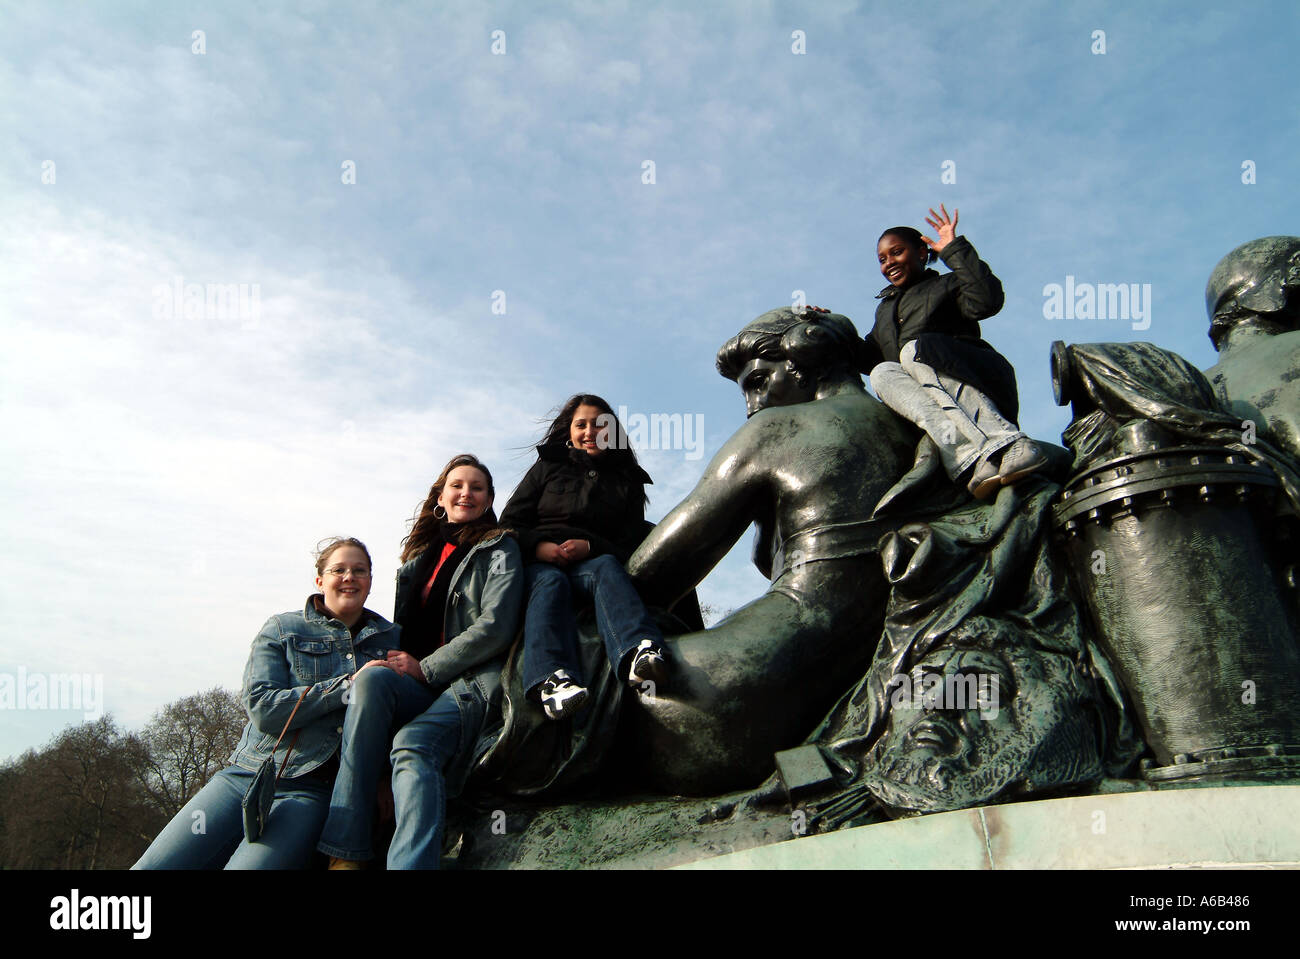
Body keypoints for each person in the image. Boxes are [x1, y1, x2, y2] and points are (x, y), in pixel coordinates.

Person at [619, 308, 916, 794]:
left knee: (597, 665)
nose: (753, 405)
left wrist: (591, 591)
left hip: (729, 697)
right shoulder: (910, 425)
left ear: (807, 352)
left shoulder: (777, 430)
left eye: (760, 381)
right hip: (864, 665)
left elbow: (657, 571)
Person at [133, 537, 399, 869]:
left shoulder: (392, 639)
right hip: (245, 775)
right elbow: (263, 707)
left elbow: (396, 716)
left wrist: (385, 776)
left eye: (359, 570)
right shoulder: (283, 629)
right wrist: (347, 685)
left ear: (371, 582)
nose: (349, 577)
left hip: (312, 791)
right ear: (320, 580)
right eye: (338, 569)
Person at [316, 454, 523, 870]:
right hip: (417, 684)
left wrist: (426, 669)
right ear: (440, 497)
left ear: (488, 499)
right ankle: (346, 853)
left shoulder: (499, 547)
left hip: (469, 682)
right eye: (457, 485)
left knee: (414, 744)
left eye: (477, 487)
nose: (466, 493)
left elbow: (497, 626)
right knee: (370, 681)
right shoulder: (416, 561)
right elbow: (403, 635)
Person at [500, 394, 668, 721]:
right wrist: (538, 548)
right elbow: (509, 524)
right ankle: (551, 681)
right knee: (549, 582)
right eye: (582, 424)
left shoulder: (628, 481)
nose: (591, 431)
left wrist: (590, 548)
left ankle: (639, 652)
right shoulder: (548, 466)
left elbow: (632, 543)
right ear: (570, 431)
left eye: (600, 424)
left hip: (592, 566)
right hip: (540, 565)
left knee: (605, 566)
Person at [865, 205, 1047, 498]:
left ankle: (1010, 443)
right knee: (882, 372)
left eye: (897, 252)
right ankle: (971, 458)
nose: (889, 263)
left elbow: (986, 301)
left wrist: (953, 249)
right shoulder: (884, 312)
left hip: (976, 378)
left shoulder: (947, 285)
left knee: (915, 350)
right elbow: (866, 356)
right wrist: (821, 325)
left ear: (922, 253)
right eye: (882, 259)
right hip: (937, 398)